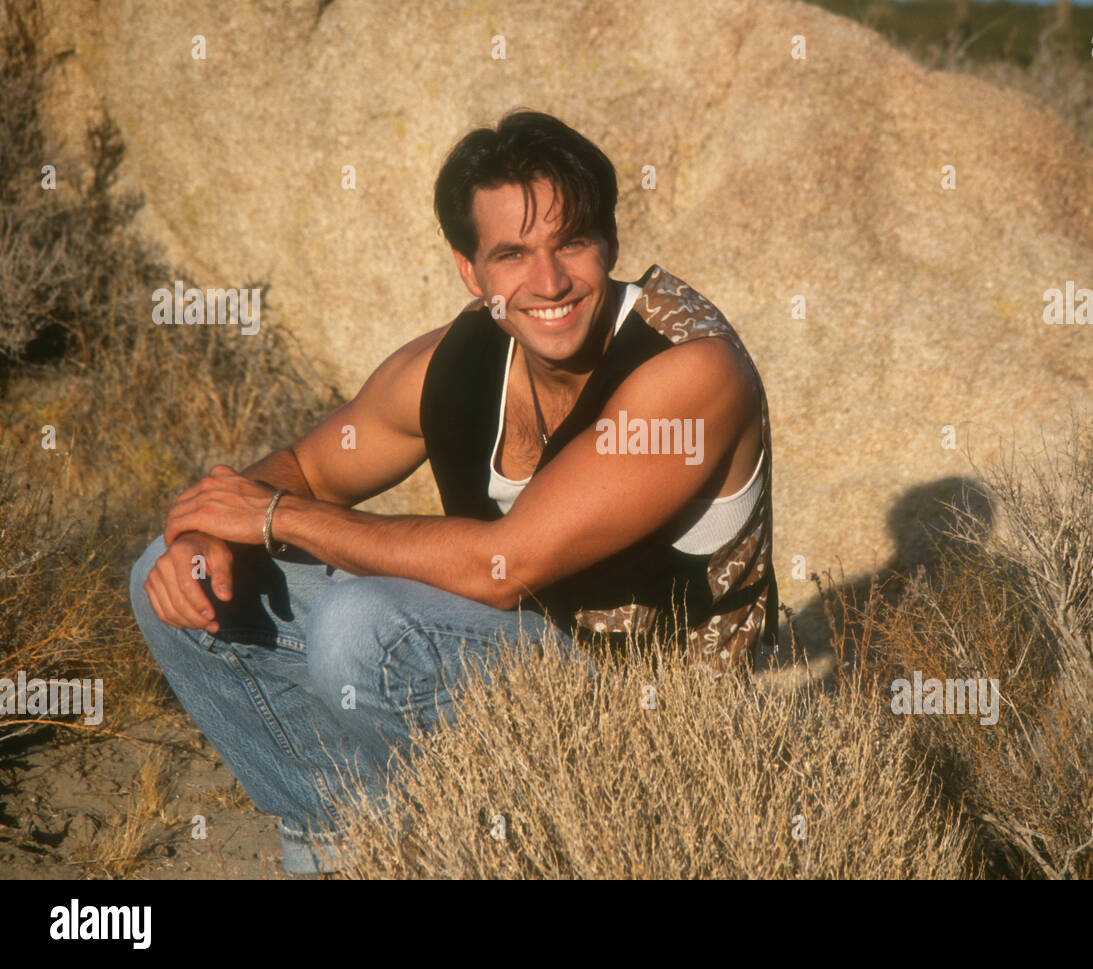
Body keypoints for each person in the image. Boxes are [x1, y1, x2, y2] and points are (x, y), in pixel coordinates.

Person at [128, 109, 779, 875]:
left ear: (609, 242)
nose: (549, 282)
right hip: (515, 673)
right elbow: (304, 468)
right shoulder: (458, 360)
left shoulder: (690, 369)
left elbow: (499, 565)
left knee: (366, 628)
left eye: (571, 242)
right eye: (512, 254)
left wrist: (271, 517)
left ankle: (452, 852)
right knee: (161, 574)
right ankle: (337, 848)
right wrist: (210, 532)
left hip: (656, 730)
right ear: (472, 271)